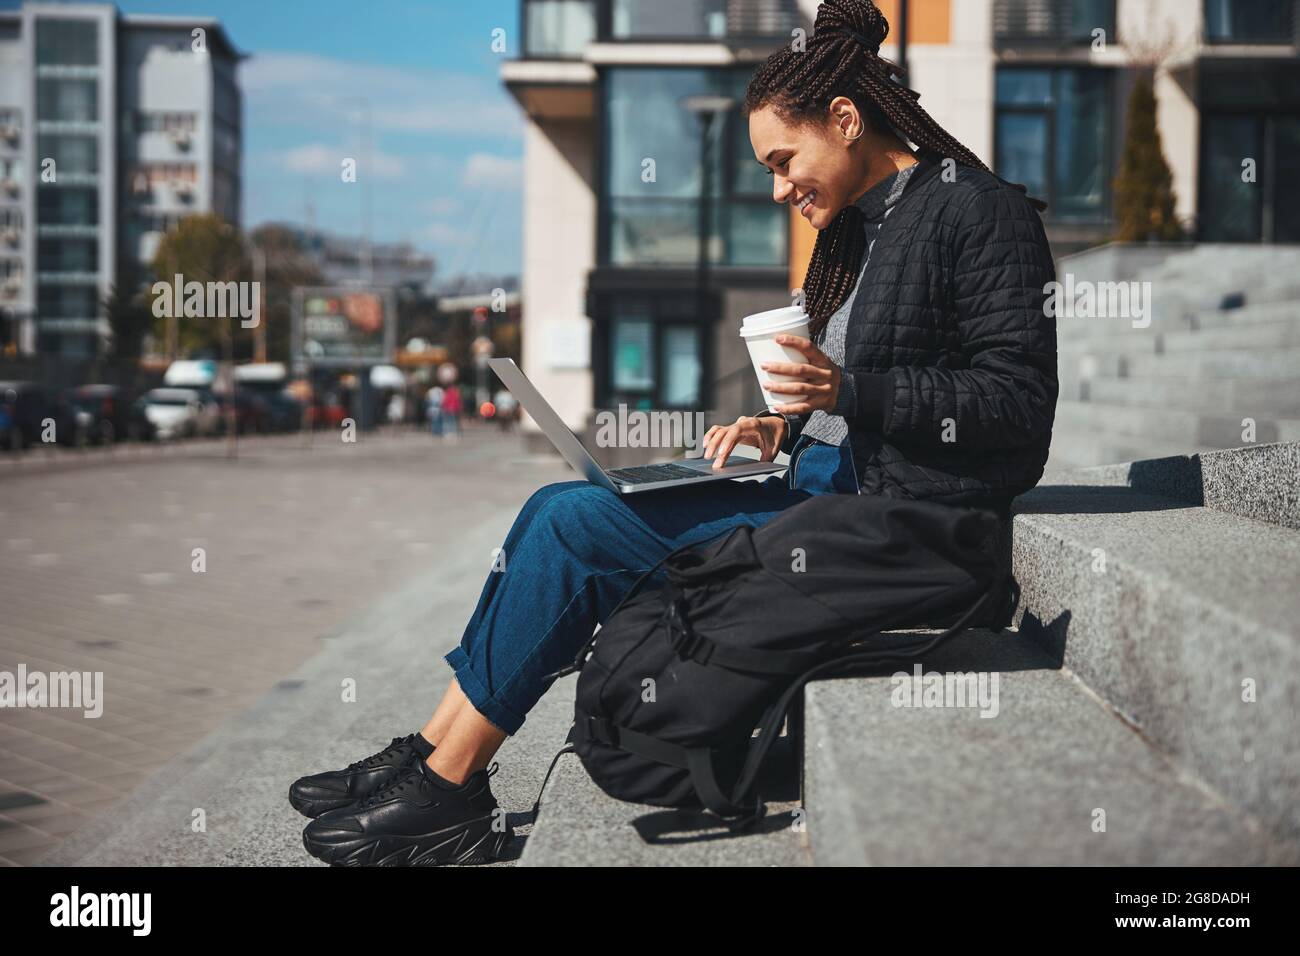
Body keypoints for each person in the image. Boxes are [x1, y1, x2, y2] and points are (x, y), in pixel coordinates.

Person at [290, 0, 1057, 867]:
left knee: (578, 529)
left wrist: (853, 389)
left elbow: (1018, 407)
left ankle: (448, 789)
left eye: (783, 159)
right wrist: (784, 425)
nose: (777, 187)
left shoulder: (979, 214)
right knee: (558, 507)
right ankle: (432, 753)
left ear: (845, 121)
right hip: (822, 486)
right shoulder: (859, 230)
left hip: (900, 522)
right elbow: (859, 397)